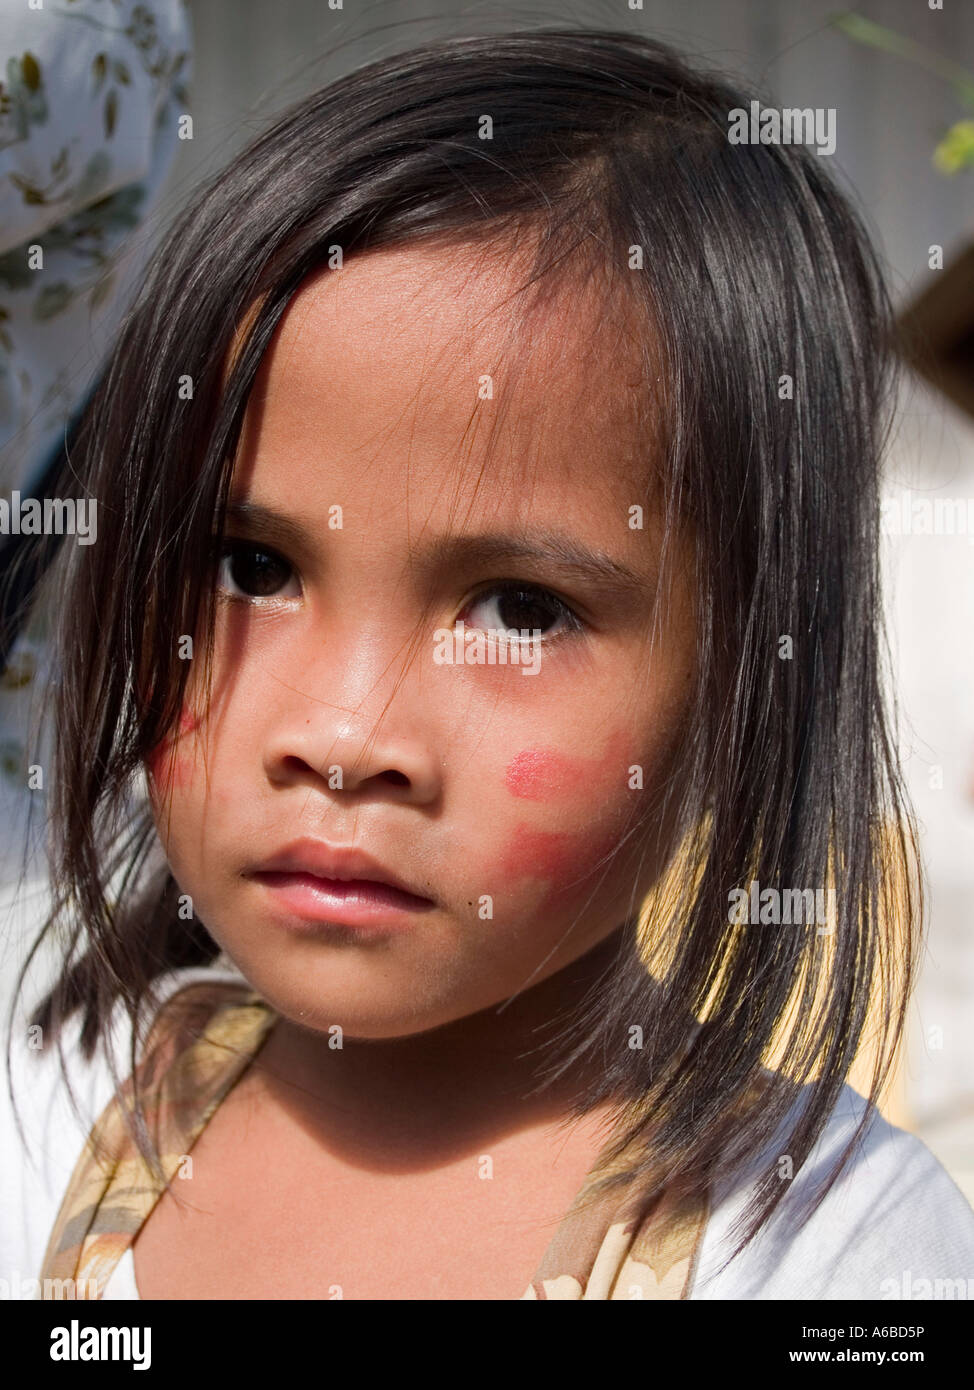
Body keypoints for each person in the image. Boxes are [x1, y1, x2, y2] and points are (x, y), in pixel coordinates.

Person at [3, 27, 973, 1302]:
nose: (344, 738)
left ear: (745, 685)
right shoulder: (42, 1104)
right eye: (249, 567)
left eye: (520, 608)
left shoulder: (829, 1248)